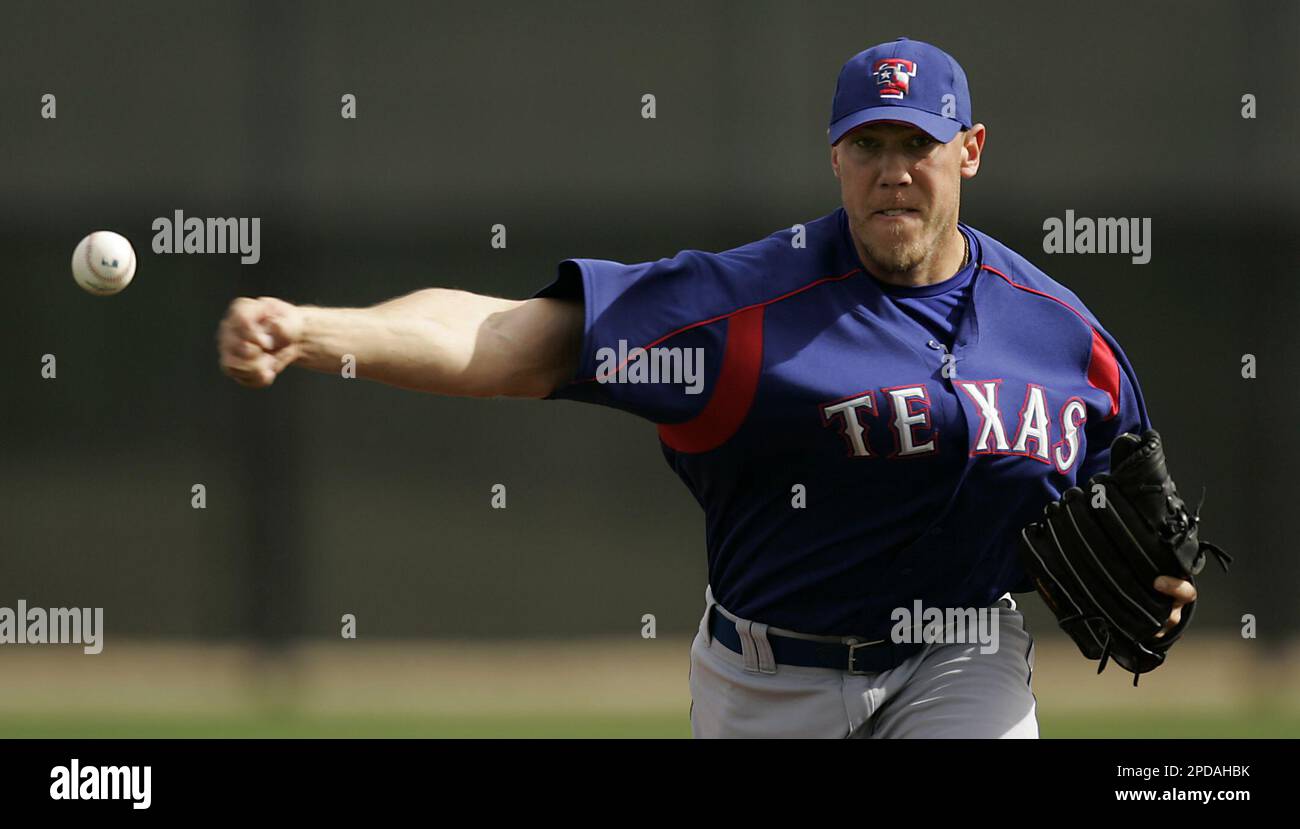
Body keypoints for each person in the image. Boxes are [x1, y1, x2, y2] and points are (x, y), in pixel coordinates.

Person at [216, 37, 1197, 738]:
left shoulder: (1061, 332)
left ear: (968, 151)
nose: (892, 172)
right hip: (771, 680)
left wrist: (1165, 582)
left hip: (962, 662)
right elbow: (512, 338)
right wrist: (313, 331)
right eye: (868, 146)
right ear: (835, 159)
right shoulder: (744, 304)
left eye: (916, 144)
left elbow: (1141, 499)